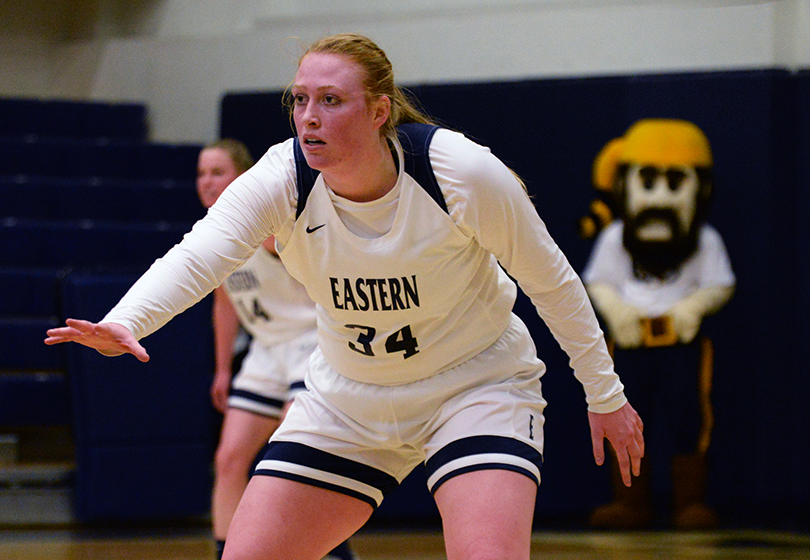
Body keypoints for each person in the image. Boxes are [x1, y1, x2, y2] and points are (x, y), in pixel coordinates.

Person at [46, 33, 644, 560]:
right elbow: (201, 253)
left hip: (474, 385)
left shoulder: (459, 171)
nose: (309, 117)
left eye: (330, 101)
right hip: (348, 397)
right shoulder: (283, 177)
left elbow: (553, 282)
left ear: (379, 111)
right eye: (300, 100)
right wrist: (128, 319)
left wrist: (605, 394)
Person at [198, 140, 355, 560]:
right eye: (202, 173)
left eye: (217, 172)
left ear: (242, 177)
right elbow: (224, 304)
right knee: (229, 459)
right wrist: (222, 369)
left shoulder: (267, 226)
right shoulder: (213, 235)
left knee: (293, 453)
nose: (207, 181)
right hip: (265, 350)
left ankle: (331, 548)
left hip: (312, 343)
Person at [582, 119, 734, 530]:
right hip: (630, 343)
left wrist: (693, 308)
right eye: (648, 182)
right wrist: (617, 312)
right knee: (625, 418)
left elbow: (720, 285)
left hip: (682, 343)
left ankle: (689, 502)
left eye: (675, 183)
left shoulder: (705, 240)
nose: (660, 197)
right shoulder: (615, 238)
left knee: (690, 417)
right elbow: (598, 283)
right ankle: (630, 503)